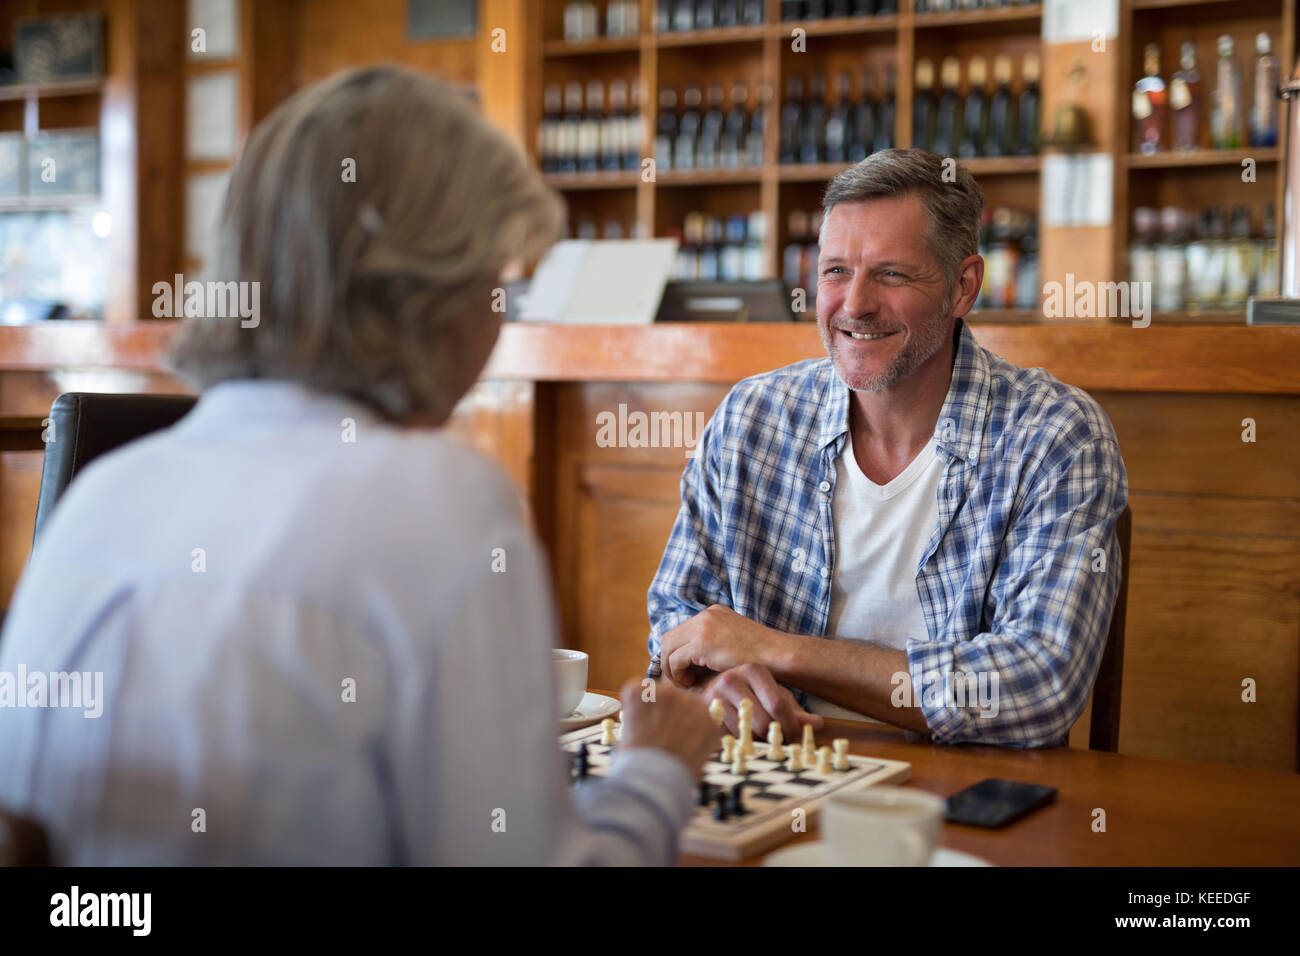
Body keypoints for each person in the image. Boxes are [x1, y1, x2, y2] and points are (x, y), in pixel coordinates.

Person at [0, 66, 716, 865]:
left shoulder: (103, 491)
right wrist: (656, 772)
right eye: (496, 284)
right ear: (435, 292)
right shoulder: (440, 499)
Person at [649, 149, 1129, 749]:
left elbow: (1038, 687)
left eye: (892, 274)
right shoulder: (752, 419)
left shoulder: (1055, 435)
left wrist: (778, 652)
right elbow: (677, 625)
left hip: (969, 799)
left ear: (963, 286)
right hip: (776, 776)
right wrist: (709, 687)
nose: (854, 305)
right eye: (834, 272)